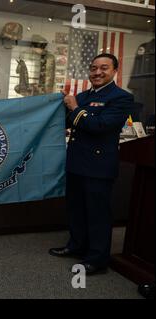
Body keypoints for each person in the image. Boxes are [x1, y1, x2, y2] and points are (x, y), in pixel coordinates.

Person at [49, 53, 134, 275]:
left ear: (115, 71)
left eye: (104, 68)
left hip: (99, 166)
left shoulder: (121, 98)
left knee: (97, 213)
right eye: (94, 68)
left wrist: (75, 107)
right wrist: (54, 106)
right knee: (75, 209)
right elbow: (68, 122)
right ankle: (76, 246)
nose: (97, 72)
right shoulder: (84, 95)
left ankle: (97, 259)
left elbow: (99, 126)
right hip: (76, 161)